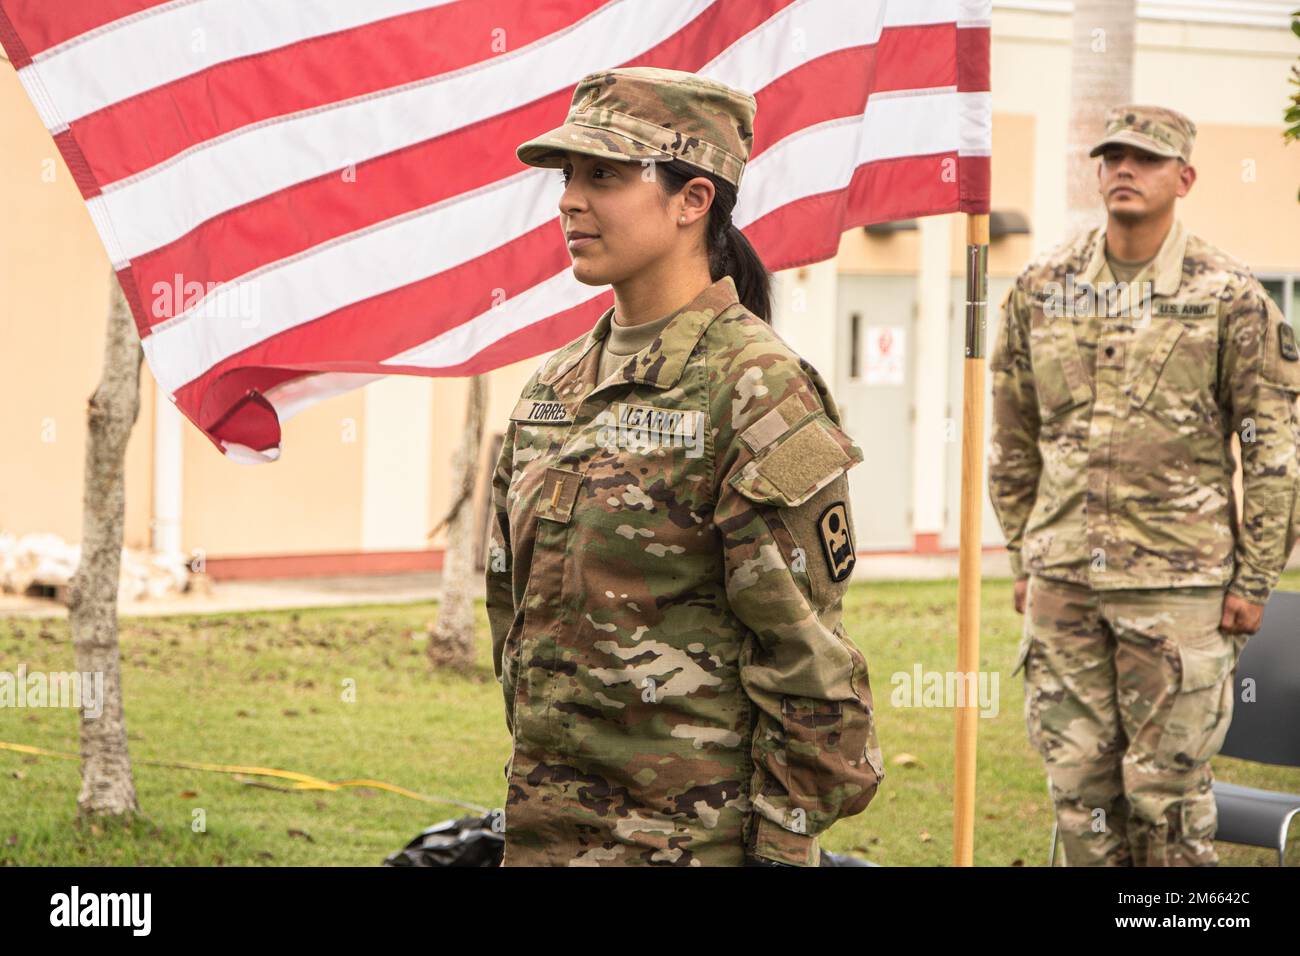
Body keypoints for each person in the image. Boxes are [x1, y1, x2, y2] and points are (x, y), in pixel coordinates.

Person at [484, 66, 884, 866]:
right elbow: (512, 611)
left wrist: (782, 843)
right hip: (546, 836)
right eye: (568, 176)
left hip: (692, 842)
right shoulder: (553, 388)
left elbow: (808, 661)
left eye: (603, 175)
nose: (569, 200)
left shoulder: (756, 388)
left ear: (693, 200)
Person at [988, 104, 1300, 866]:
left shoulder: (1229, 297)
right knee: (1080, 799)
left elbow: (1273, 450)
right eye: (1113, 156)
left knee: (1166, 802)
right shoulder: (1044, 286)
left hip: (1181, 588)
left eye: (1148, 158)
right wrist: (1026, 556)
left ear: (1185, 177)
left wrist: (1255, 578)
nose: (1126, 169)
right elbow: (1012, 432)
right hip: (1065, 586)